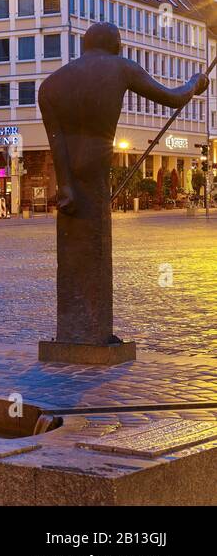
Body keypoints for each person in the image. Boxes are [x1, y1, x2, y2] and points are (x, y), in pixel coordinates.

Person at [38, 21, 207, 344]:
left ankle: (75, 331)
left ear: (84, 46)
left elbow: (56, 141)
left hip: (70, 172)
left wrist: (65, 184)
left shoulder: (50, 85)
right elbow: (172, 98)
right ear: (115, 45)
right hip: (97, 164)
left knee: (73, 247)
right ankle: (93, 332)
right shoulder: (120, 68)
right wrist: (194, 83)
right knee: (97, 243)